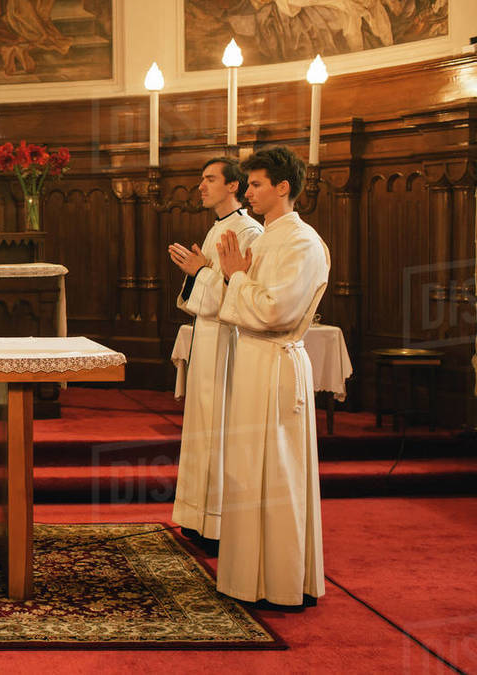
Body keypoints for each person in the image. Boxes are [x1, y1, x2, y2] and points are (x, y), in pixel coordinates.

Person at [215, 146, 331, 609]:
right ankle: (250, 578)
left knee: (278, 472)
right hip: (254, 362)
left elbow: (273, 311)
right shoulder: (266, 238)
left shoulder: (301, 241)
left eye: (257, 184)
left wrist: (236, 278)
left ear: (284, 188)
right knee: (248, 469)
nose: (248, 191)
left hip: (276, 362)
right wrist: (235, 277)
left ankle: (281, 583)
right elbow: (249, 299)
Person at [167, 157, 263, 552]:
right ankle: (197, 516)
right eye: (201, 179)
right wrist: (200, 272)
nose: (201, 186)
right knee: (202, 429)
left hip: (230, 342)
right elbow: (209, 289)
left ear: (234, 186)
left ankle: (220, 522)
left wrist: (200, 272)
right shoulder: (218, 229)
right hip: (208, 340)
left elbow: (242, 291)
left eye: (210, 180)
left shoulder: (248, 231)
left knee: (220, 429)